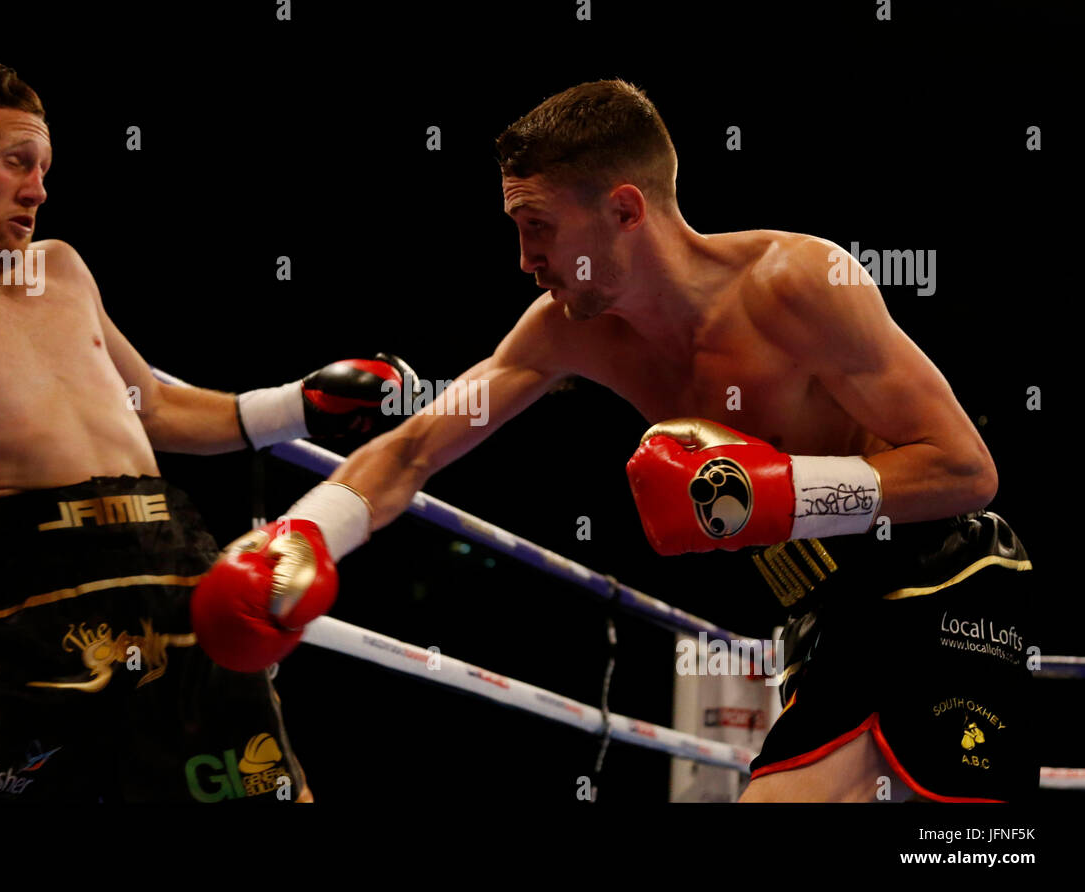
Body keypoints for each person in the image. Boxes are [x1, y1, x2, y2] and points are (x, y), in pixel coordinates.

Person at [192, 79, 1037, 803]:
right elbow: (413, 451)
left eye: (539, 227)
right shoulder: (568, 331)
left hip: (945, 577)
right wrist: (304, 533)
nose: (524, 259)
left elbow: (967, 468)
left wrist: (781, 492)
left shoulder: (799, 284)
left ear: (624, 209)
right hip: (819, 614)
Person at [0, 64, 415, 802]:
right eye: (15, 163)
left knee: (256, 793)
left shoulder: (61, 266)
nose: (37, 189)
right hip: (27, 574)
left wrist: (300, 404)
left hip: (174, 558)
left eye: (44, 168)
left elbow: (155, 408)